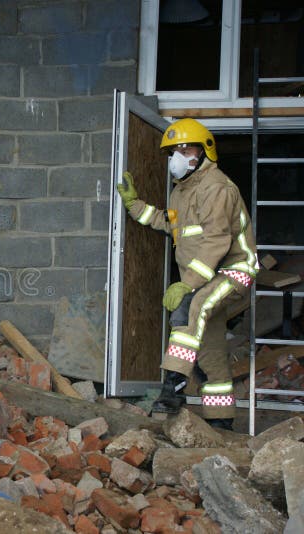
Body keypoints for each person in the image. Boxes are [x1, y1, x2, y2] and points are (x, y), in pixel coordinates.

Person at [117, 118, 258, 431]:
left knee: (190, 307)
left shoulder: (217, 188)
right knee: (210, 351)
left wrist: (187, 285)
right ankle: (221, 422)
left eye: (185, 149)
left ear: (205, 151)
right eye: (173, 151)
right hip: (205, 278)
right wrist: (134, 205)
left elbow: (216, 242)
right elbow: (171, 225)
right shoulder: (181, 191)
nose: (177, 157)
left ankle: (174, 387)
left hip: (233, 272)